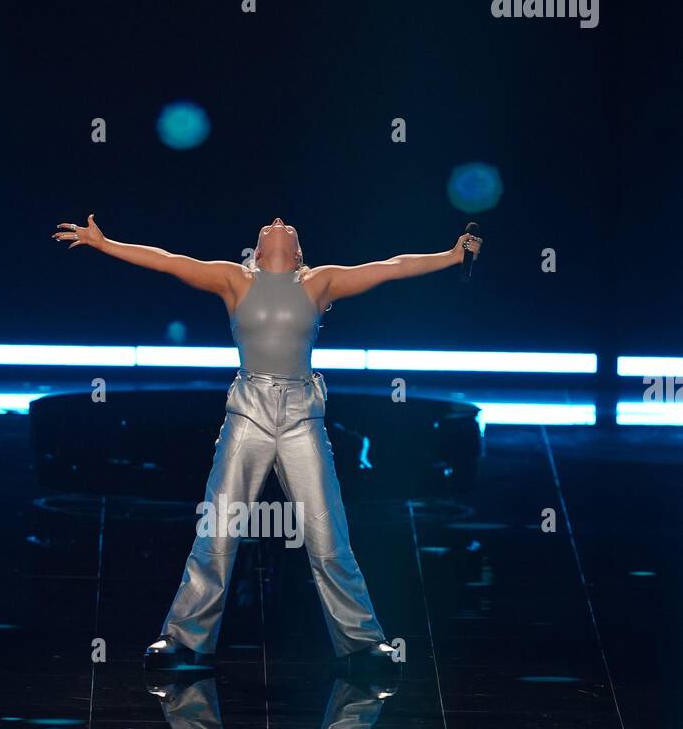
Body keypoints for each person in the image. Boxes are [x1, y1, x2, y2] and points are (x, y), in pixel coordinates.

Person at [53, 214, 481, 666]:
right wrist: (105, 244)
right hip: (249, 411)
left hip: (302, 415)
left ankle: (360, 641)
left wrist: (452, 256)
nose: (278, 221)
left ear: (298, 254)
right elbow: (167, 261)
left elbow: (393, 266)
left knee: (326, 530)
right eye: (268, 225)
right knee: (218, 525)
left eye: (288, 225)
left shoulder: (320, 282)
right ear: (256, 252)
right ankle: (184, 638)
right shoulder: (234, 279)